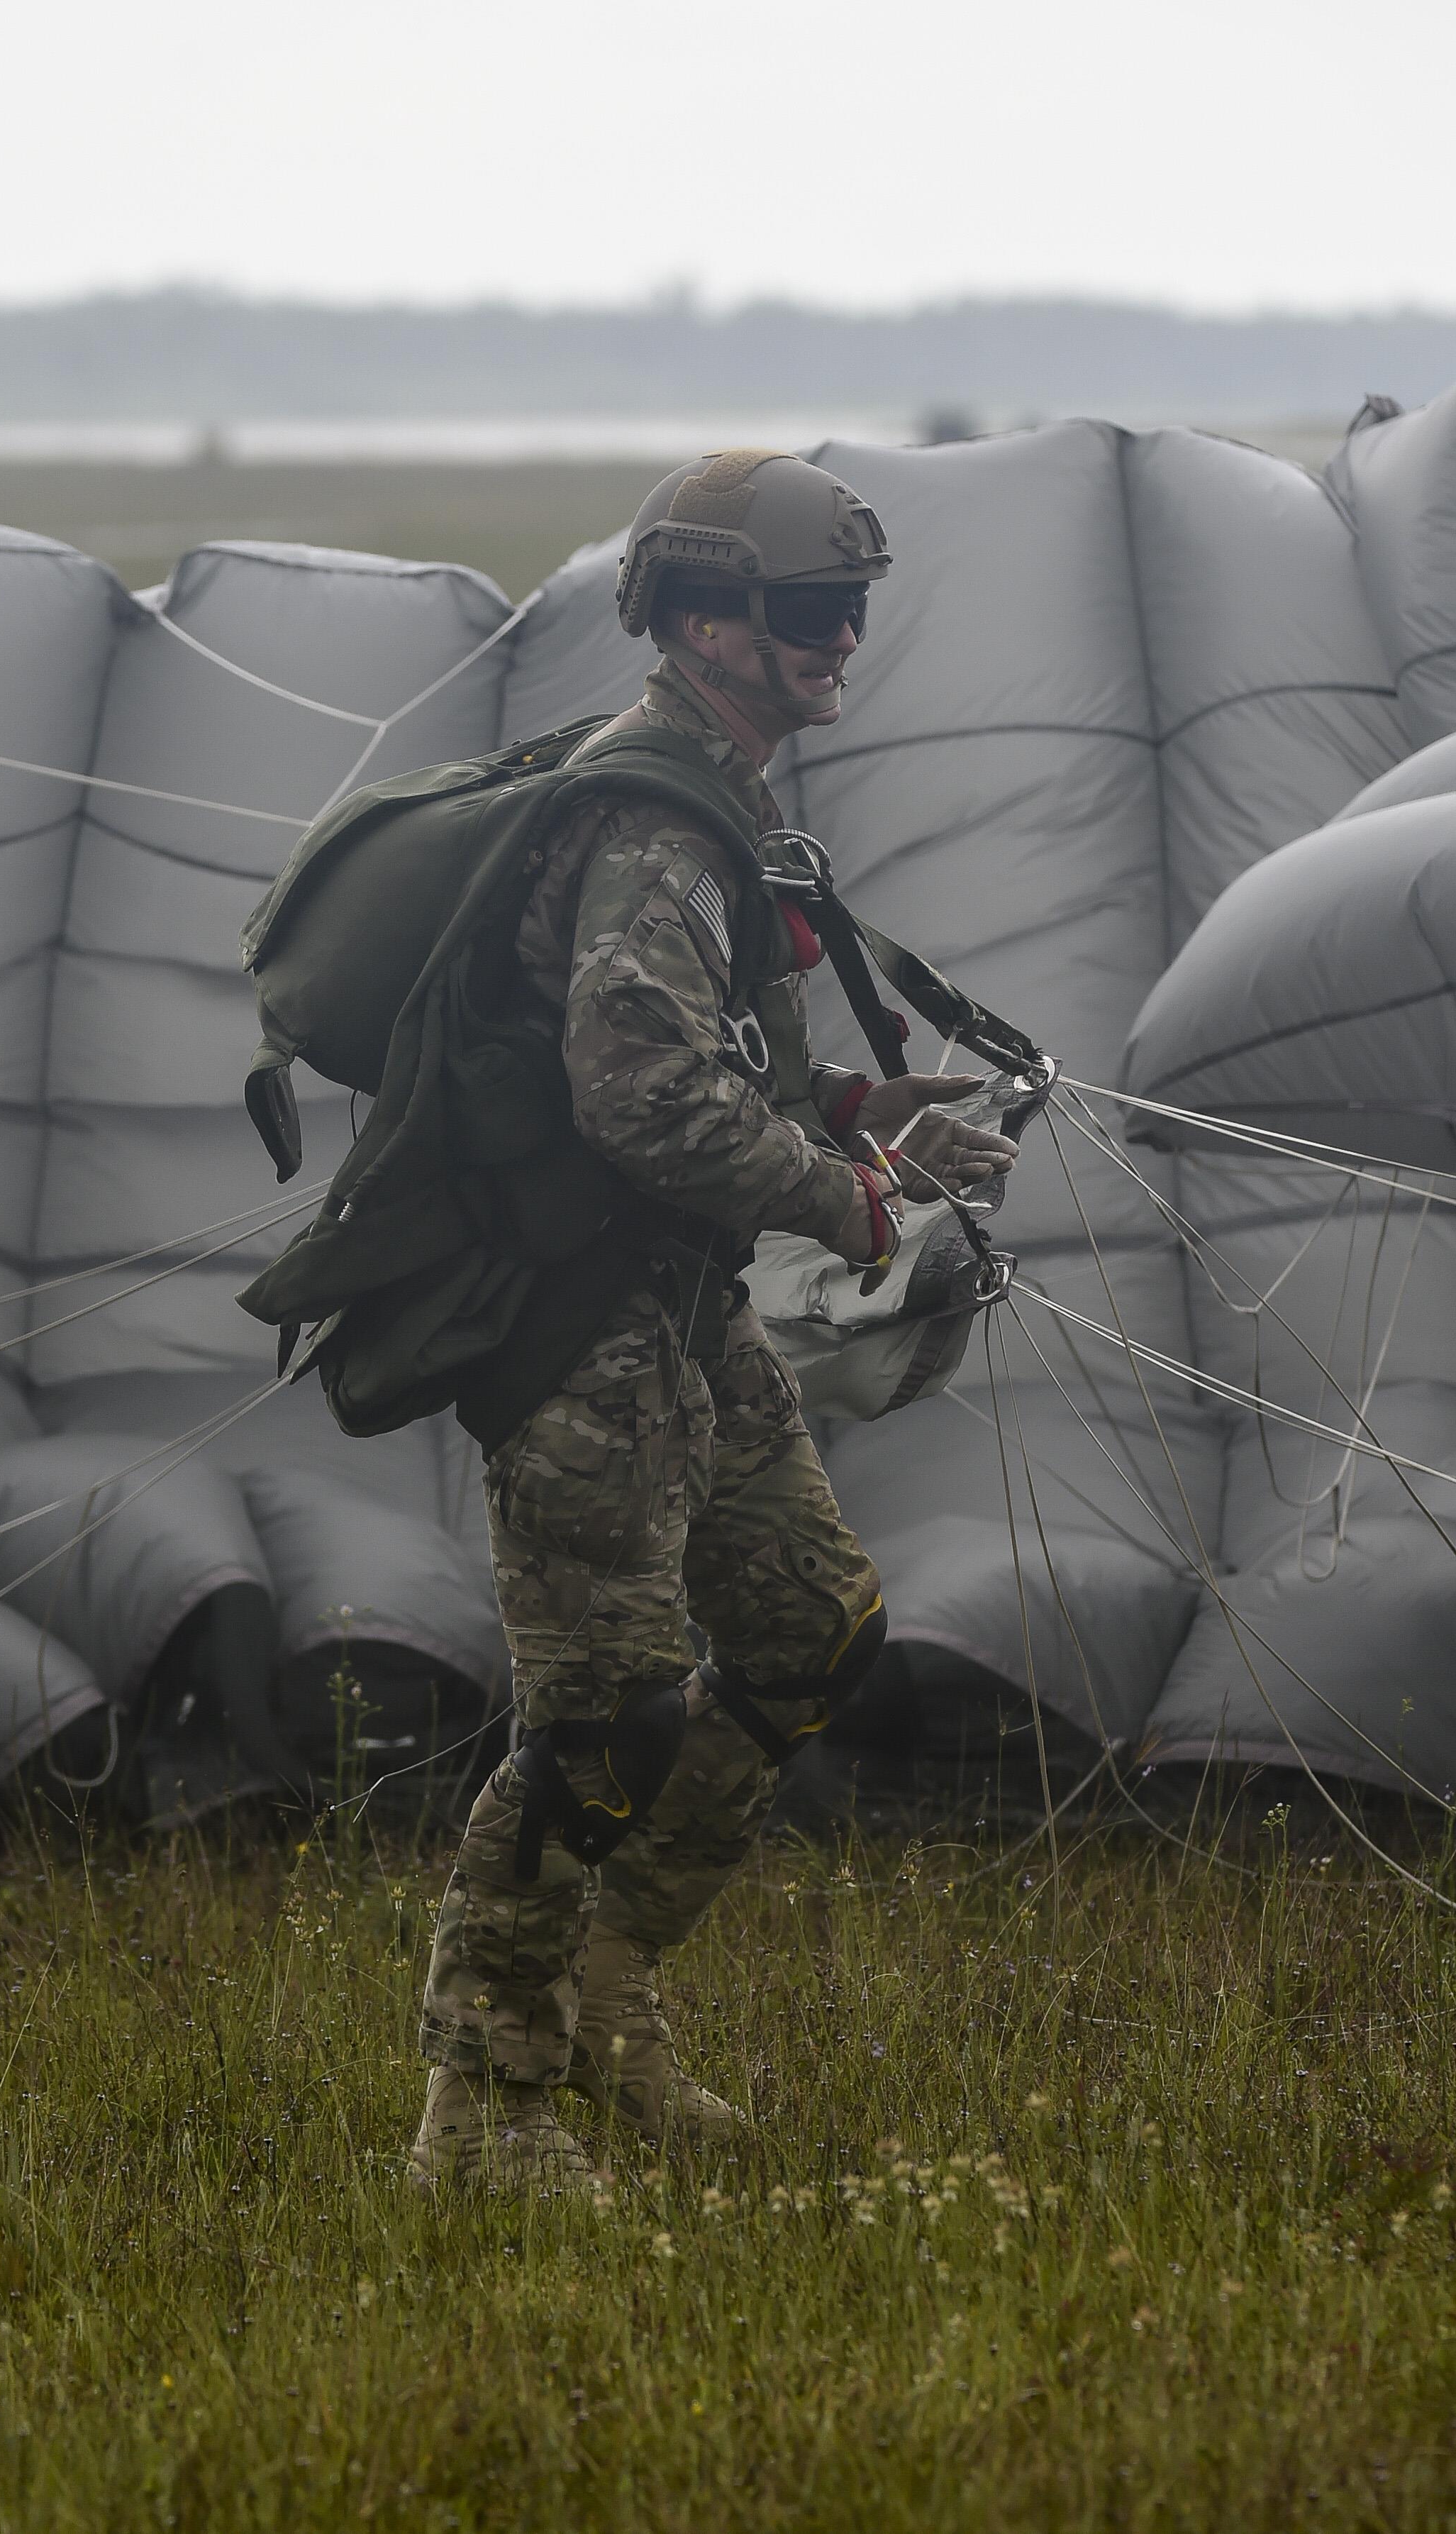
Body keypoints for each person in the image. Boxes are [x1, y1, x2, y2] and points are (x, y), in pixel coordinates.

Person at [410, 448, 1018, 2189]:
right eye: (813, 612)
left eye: (851, 610)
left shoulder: (727, 804)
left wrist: (853, 1113)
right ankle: (488, 2109)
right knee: (598, 1712)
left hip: (672, 1308)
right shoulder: (654, 821)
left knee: (806, 1627)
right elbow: (634, 1095)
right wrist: (855, 1205)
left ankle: (607, 1999)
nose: (841, 642)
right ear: (699, 619)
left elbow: (715, 1061)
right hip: (572, 1324)